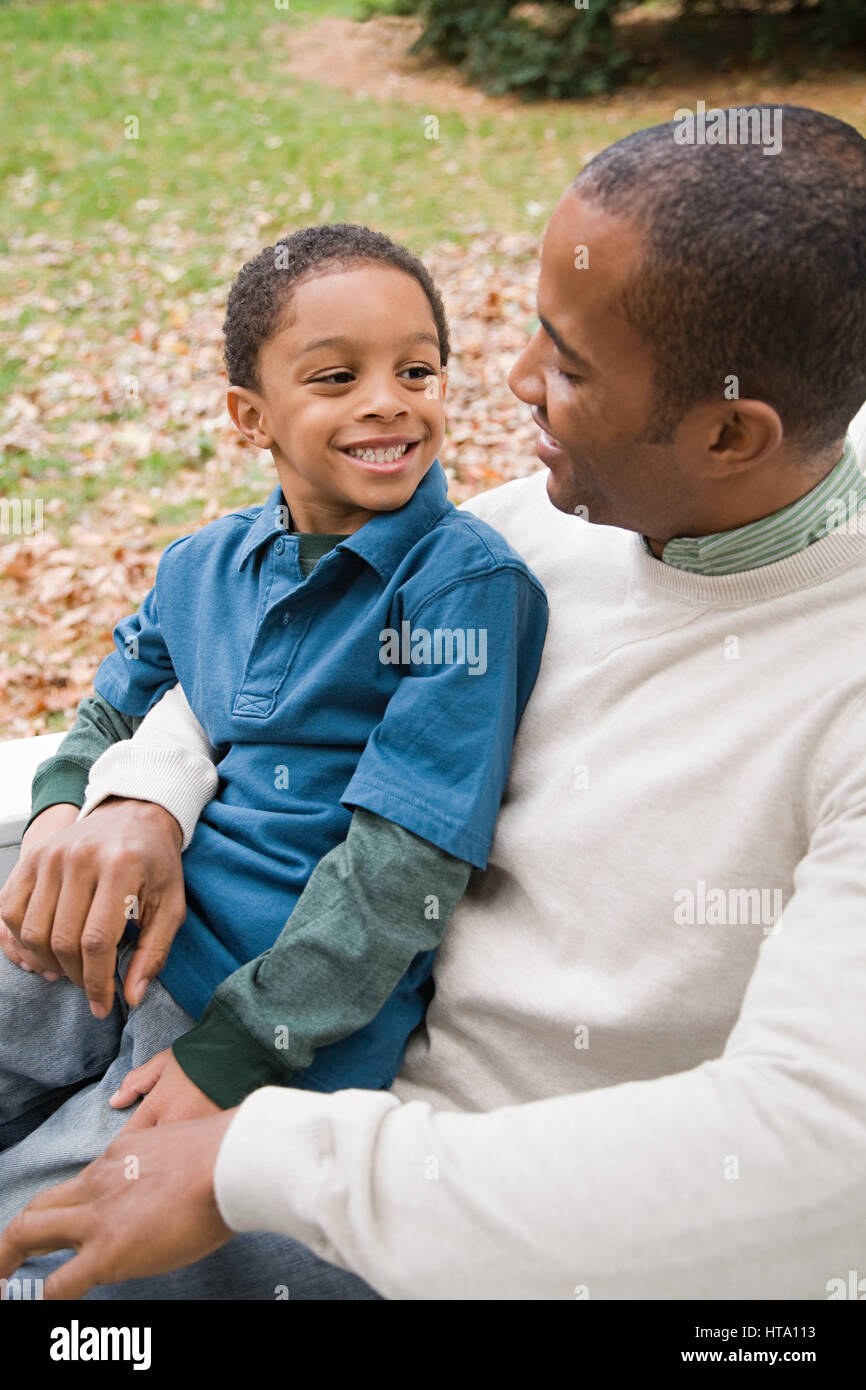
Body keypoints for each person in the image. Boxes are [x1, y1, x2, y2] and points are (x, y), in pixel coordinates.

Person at [2, 104, 866, 1301]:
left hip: (404, 1182)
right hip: (220, 968)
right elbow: (278, 646)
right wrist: (142, 789)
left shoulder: (835, 693)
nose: (506, 387)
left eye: (564, 366)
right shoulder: (557, 516)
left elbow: (814, 1163)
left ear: (729, 431)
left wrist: (254, 1160)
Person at [0, 225, 547, 1234]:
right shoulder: (204, 562)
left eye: (416, 369)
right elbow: (115, 704)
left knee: (35, 1234)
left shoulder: (461, 587)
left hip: (272, 1023)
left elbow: (402, 869)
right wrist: (57, 813)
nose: (389, 399)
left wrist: (237, 1051)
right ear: (249, 418)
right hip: (117, 933)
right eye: (337, 377)